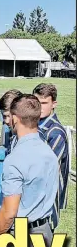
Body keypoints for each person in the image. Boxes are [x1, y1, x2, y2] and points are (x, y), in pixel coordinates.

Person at [0, 94, 58, 247]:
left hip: (22, 235)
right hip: (44, 228)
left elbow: (9, 212)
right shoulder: (48, 153)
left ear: (16, 119)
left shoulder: (15, 159)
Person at [33, 83, 69, 229]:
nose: (40, 107)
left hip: (47, 202)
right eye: (36, 103)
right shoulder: (34, 126)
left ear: (54, 104)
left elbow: (46, 168)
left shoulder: (56, 133)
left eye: (44, 103)